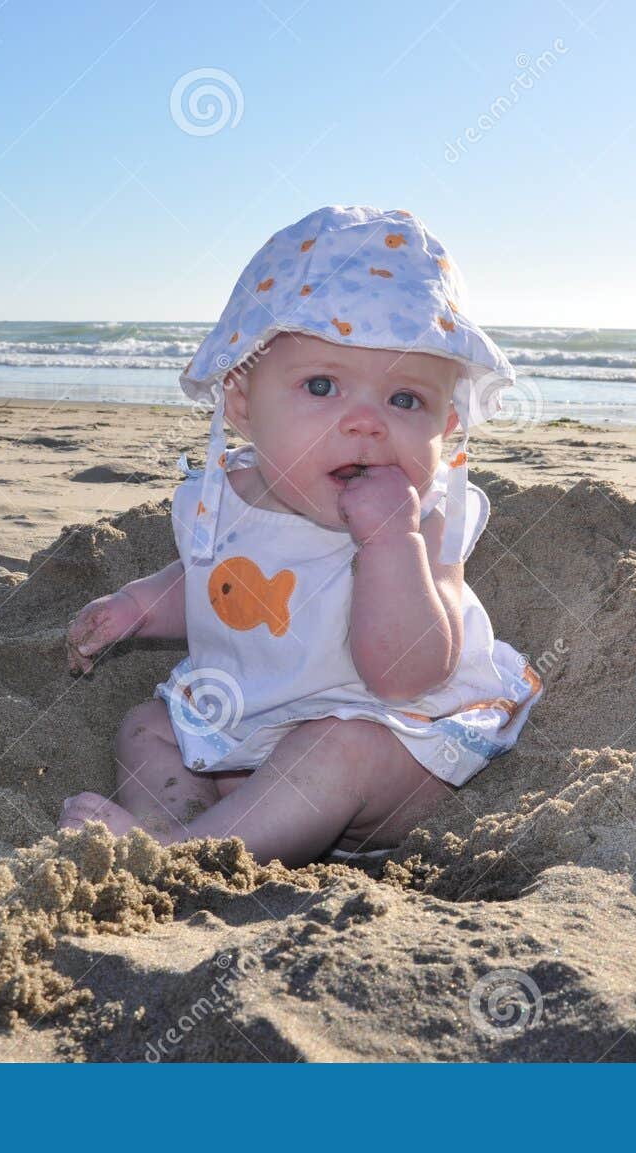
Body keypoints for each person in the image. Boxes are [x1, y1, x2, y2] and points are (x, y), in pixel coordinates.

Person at [58, 205, 543, 866]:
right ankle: (173, 821)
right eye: (322, 385)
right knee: (146, 726)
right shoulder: (230, 498)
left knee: (331, 745)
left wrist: (389, 542)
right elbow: (214, 583)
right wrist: (135, 608)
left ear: (446, 423)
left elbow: (405, 674)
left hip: (388, 753)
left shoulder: (423, 520)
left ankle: (192, 851)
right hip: (251, 733)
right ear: (242, 406)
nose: (367, 424)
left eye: (406, 400)